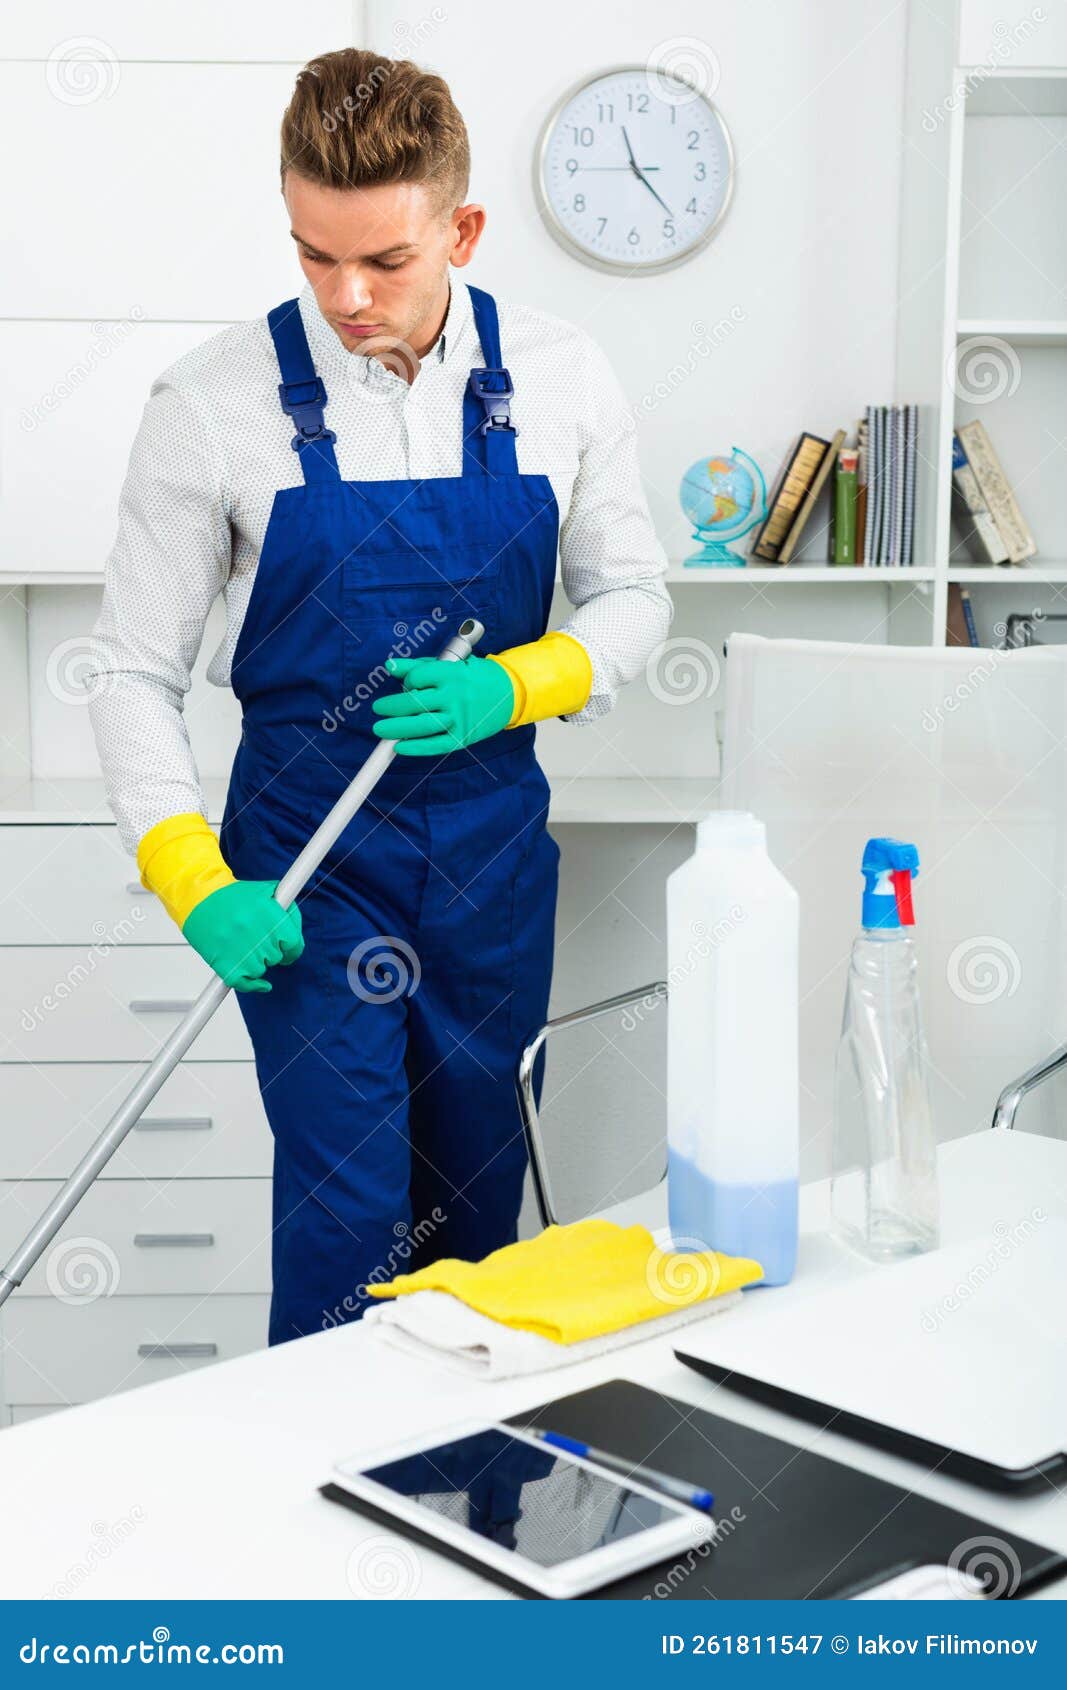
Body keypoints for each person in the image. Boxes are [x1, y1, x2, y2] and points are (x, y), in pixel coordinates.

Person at [86, 48, 672, 1346]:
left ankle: (471, 1525)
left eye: (385, 262)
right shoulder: (211, 402)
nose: (346, 295)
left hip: (489, 874)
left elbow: (638, 594)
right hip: (307, 881)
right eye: (314, 255)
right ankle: (318, 1525)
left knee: (476, 1230)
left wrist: (520, 682)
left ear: (460, 227)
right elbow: (129, 669)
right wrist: (191, 874)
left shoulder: (564, 376)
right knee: (348, 1223)